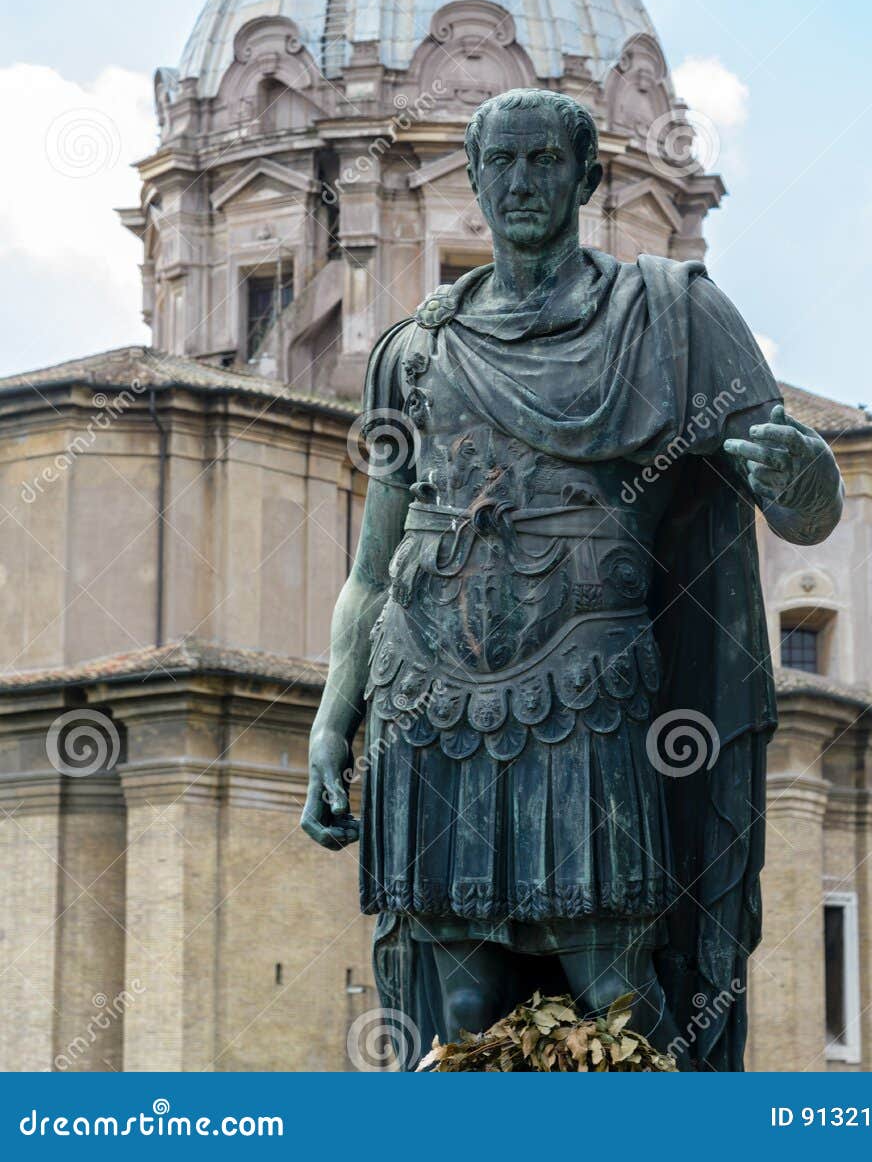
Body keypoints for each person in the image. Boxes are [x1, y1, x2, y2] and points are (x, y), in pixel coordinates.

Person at [301, 87, 842, 1069]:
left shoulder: (671, 320)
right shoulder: (412, 353)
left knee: (615, 974)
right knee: (459, 994)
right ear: (473, 179)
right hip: (426, 696)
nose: (520, 183)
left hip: (584, 686)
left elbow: (799, 507)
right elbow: (372, 569)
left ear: (588, 177)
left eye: (544, 160)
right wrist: (333, 718)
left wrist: (811, 479)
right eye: (500, 162)